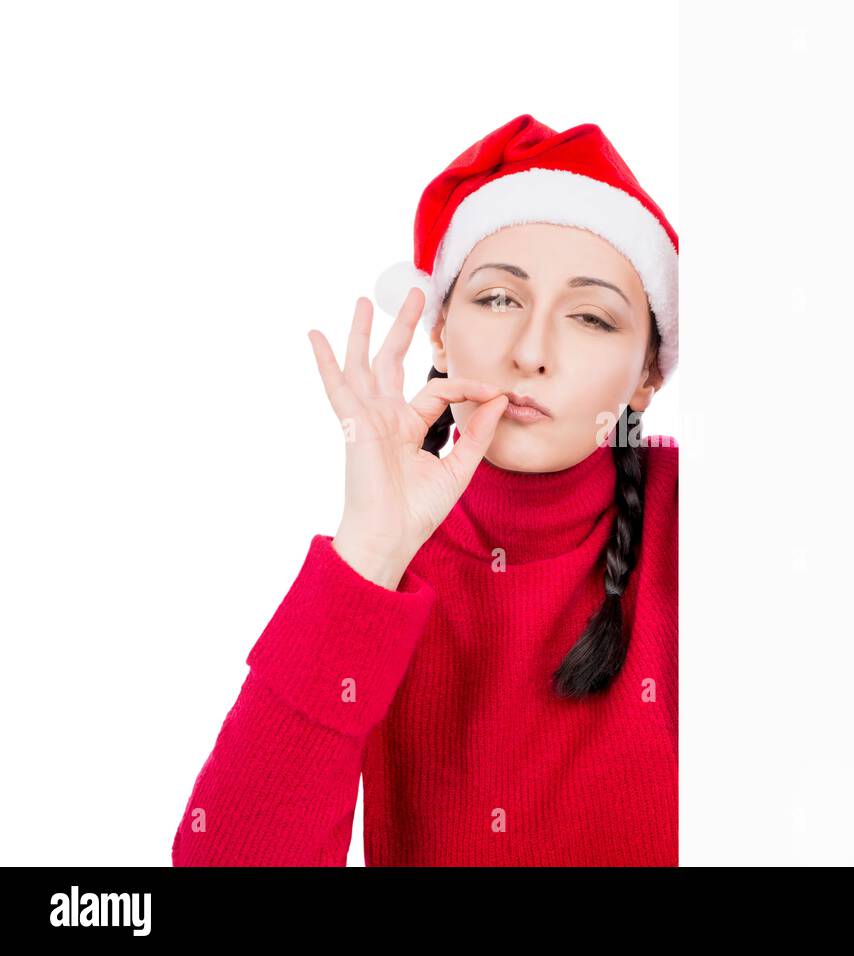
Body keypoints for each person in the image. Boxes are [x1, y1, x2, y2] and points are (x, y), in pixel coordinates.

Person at [171, 114, 679, 866]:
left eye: (591, 316)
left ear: (646, 375)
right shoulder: (391, 546)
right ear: (439, 332)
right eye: (499, 300)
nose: (530, 353)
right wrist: (367, 559)